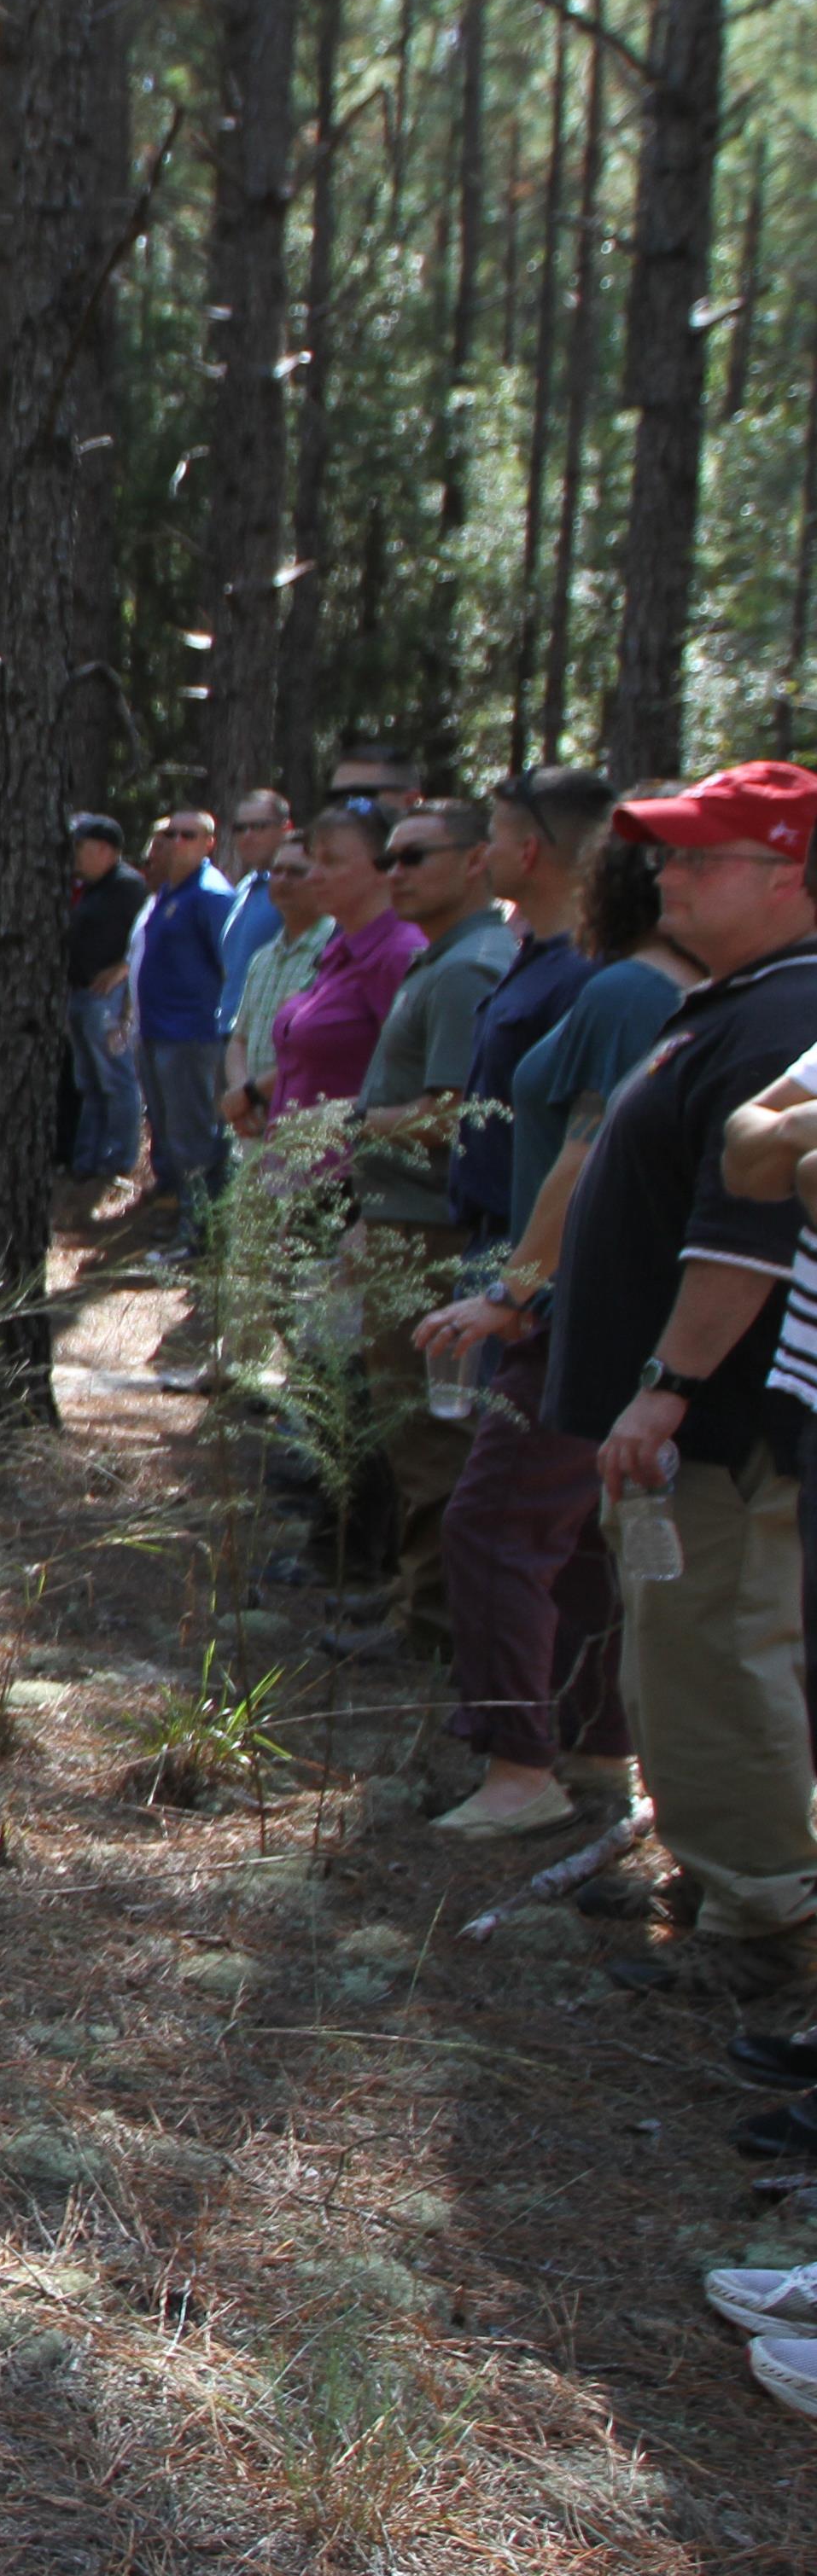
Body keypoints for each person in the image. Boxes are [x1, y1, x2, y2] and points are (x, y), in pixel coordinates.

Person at [541, 759, 817, 1998]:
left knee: (713, 1649)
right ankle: (717, 1870)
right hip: (680, 1419)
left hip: (713, 1422)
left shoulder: (779, 1018)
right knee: (679, 1646)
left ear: (790, 879)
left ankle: (758, 1913)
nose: (666, 875)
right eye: (667, 852)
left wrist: (667, 1385)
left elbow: (743, 1235)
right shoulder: (736, 999)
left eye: (702, 858)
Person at [416, 798, 662, 1836]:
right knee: (578, 1540)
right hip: (587, 1302)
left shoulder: (622, 992)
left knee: (494, 1526)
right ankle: (595, 1747)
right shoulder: (644, 986)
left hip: (563, 1311)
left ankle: (522, 1767)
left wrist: (513, 1290)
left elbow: (585, 1152)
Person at [325, 800, 515, 1657]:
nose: (393, 870)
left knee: (431, 1429)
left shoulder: (468, 968)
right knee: (406, 1428)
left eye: (413, 856)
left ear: (476, 859)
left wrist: (351, 1123)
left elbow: (451, 1117)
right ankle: (415, 1593)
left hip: (431, 1234)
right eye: (388, 857)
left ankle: (431, 1624)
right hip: (399, 1220)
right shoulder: (440, 960)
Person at [266, 803, 420, 1119]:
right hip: (293, 1161)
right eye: (313, 862)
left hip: (350, 1163)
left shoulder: (397, 953)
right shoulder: (340, 948)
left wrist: (337, 1121)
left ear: (385, 867)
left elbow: (412, 1087)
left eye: (331, 862)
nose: (313, 877)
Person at [132, 808, 233, 1230]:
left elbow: (227, 965)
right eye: (170, 834)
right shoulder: (170, 892)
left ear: (209, 843)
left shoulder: (211, 894)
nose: (177, 842)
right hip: (155, 1032)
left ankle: (202, 1232)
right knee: (170, 1135)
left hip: (191, 1036)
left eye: (189, 835)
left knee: (194, 1140)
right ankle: (182, 1218)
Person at [64, 813, 150, 1189]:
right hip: (82, 995)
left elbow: (147, 939)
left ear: (104, 850)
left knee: (116, 1079)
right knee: (89, 1081)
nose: (75, 856)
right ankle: (89, 1157)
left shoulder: (129, 887)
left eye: (80, 847)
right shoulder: (93, 888)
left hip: (110, 1000)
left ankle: (118, 1159)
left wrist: (123, 968)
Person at [222, 837, 327, 1136]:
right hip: (252, 1117)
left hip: (304, 1117)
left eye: (296, 872)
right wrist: (242, 1093)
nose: (283, 880)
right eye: (277, 871)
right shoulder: (263, 957)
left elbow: (319, 1051)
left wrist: (251, 1094)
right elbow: (239, 1038)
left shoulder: (334, 951)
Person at [213, 788, 298, 1026]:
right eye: (240, 828)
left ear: (286, 828)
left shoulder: (297, 888)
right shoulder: (245, 887)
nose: (247, 836)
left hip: (271, 1031)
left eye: (259, 827)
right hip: (230, 1030)